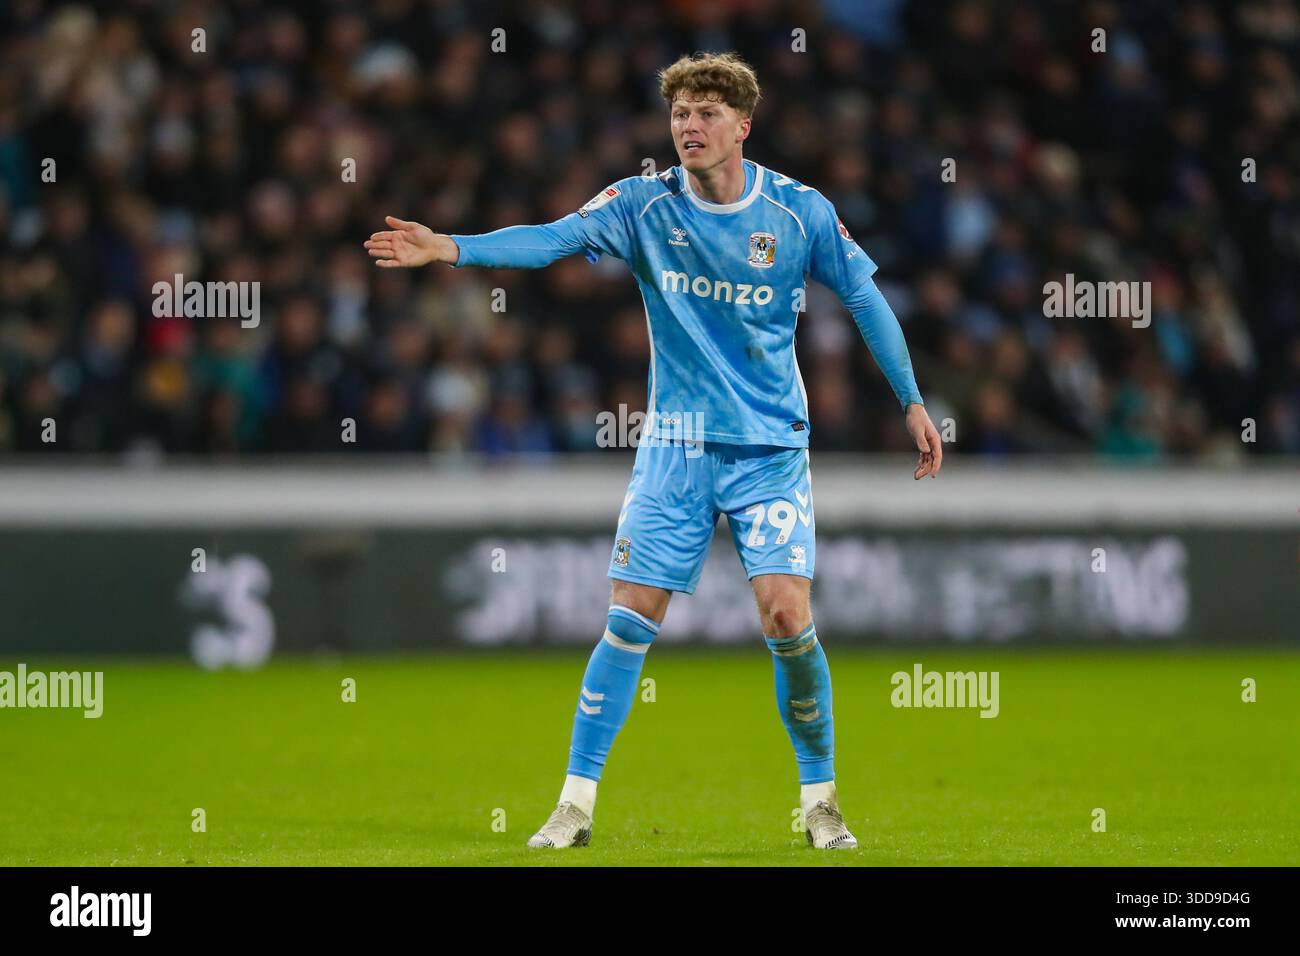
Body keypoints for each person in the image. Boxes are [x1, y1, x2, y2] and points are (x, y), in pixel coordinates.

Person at [364, 52, 942, 850]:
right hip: (673, 447)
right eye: (680, 113)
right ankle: (573, 805)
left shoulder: (799, 212)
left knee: (785, 614)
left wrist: (910, 398)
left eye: (707, 113)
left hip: (768, 446)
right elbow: (553, 238)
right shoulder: (641, 204)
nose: (689, 126)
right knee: (629, 618)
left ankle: (820, 799)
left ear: (743, 126)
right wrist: (452, 249)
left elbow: (866, 297)